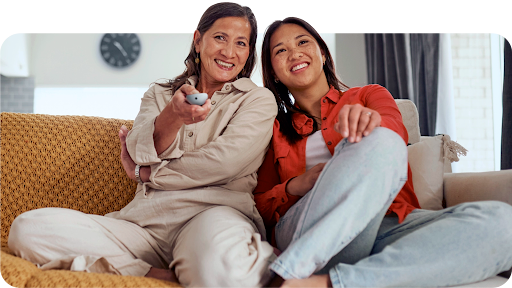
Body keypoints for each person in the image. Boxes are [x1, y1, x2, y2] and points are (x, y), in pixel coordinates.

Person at [8, 3, 279, 288]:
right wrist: (172, 117)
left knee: (220, 271)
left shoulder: (257, 100)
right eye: (220, 38)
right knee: (28, 230)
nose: (229, 52)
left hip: (213, 216)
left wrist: (148, 174)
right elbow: (138, 151)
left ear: (249, 52)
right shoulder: (160, 93)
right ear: (198, 41)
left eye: (241, 43)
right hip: (143, 224)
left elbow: (223, 163)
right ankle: (157, 274)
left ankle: (207, 264)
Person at [254, 17, 512, 288]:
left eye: (302, 42)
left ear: (322, 52)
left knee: (504, 223)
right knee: (382, 140)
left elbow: (393, 138)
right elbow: (259, 205)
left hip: (389, 224)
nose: (294, 53)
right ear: (272, 70)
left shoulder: (369, 95)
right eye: (280, 50)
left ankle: (322, 283)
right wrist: (297, 185)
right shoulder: (275, 130)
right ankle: (288, 271)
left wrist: (370, 123)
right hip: (309, 231)